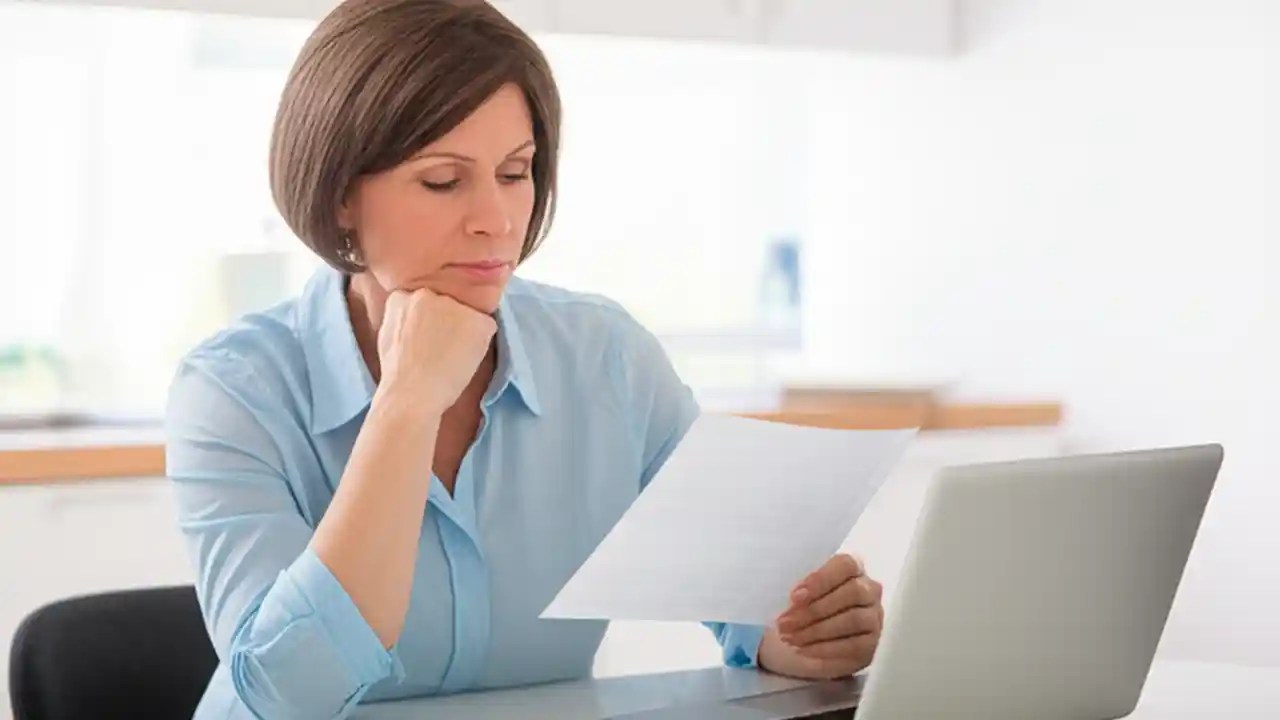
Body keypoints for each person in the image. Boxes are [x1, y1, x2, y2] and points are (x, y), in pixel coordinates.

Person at [165, 1, 884, 717]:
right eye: (443, 180)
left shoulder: (606, 360)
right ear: (342, 194)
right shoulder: (233, 392)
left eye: (515, 172)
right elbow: (288, 695)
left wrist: (803, 635)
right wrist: (407, 404)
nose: (497, 219)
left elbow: (746, 599)